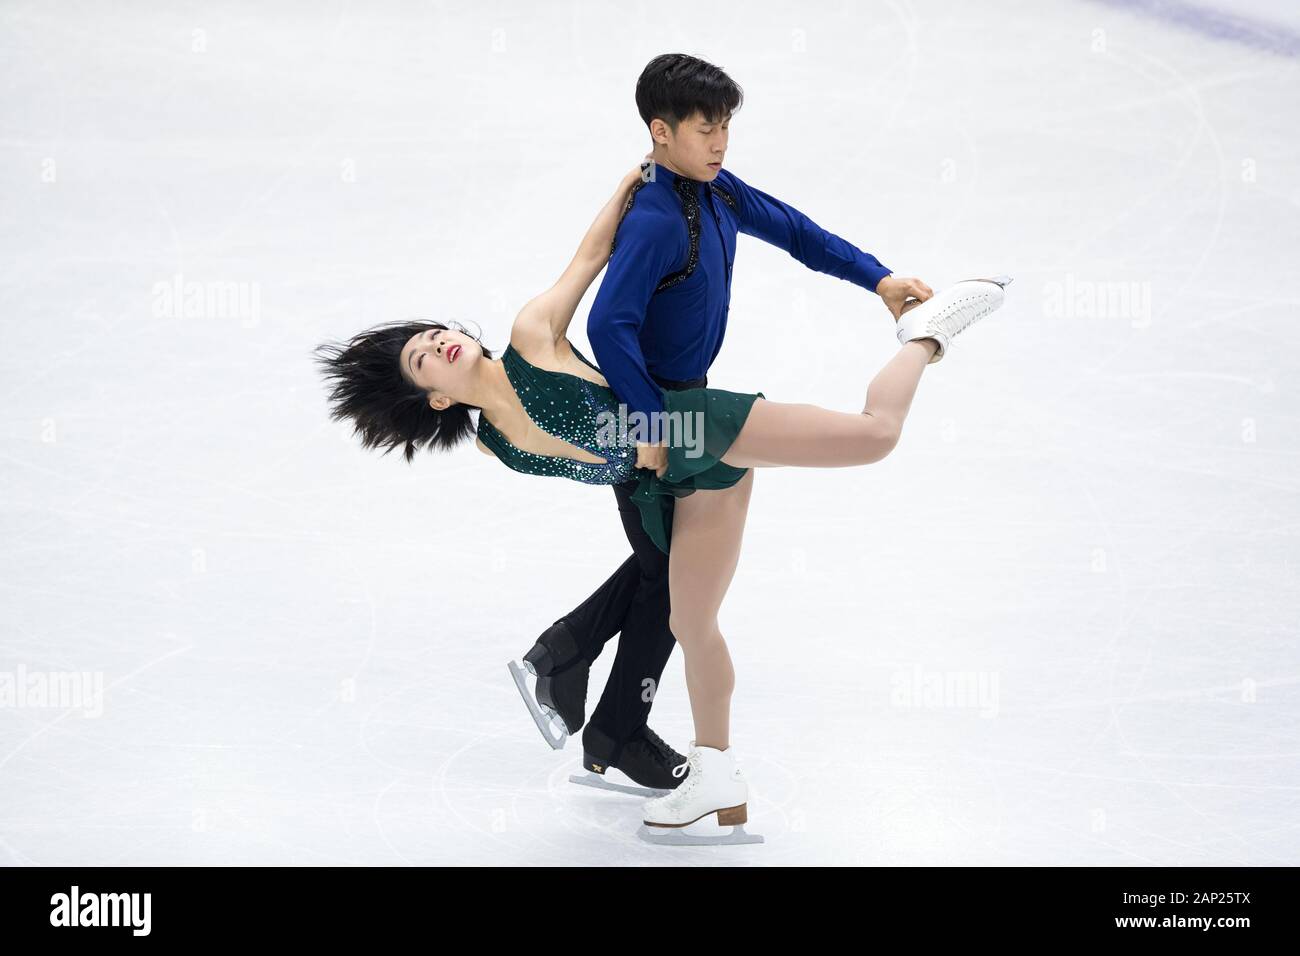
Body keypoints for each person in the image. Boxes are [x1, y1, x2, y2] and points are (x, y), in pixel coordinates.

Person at [314, 157, 1010, 841]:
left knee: (872, 436)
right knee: (690, 620)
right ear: (434, 397)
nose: (440, 342)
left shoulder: (531, 338)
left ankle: (926, 335)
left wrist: (622, 193)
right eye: (423, 357)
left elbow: (589, 259)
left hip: (689, 426)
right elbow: (603, 465)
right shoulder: (495, 445)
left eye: (436, 334)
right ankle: (715, 773)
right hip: (659, 483)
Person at [506, 53, 941, 796]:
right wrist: (649, 426)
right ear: (661, 130)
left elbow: (797, 232)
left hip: (677, 401)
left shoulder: (715, 188)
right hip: (656, 412)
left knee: (667, 583)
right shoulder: (651, 218)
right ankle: (588, 693)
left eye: (727, 125)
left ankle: (579, 683)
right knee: (671, 589)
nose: (721, 141)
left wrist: (877, 277)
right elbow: (612, 325)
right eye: (706, 127)